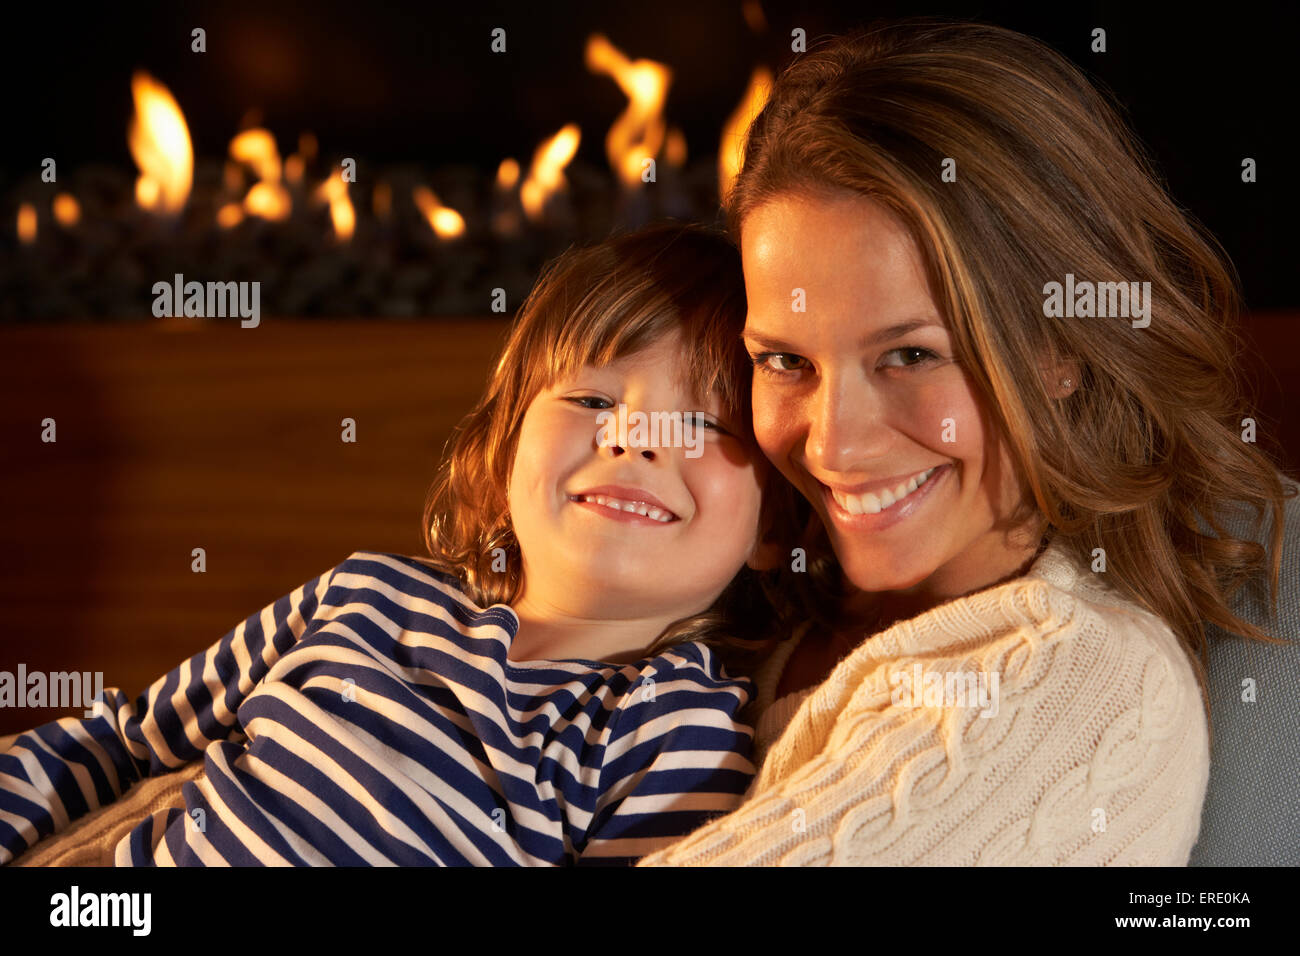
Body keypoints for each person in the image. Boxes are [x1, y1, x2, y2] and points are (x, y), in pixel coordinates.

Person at [638, 19, 1295, 866]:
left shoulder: (1087, 690)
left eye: (911, 355)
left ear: (1059, 349)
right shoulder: (741, 575)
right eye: (785, 360)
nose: (834, 442)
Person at [0, 221, 798, 866]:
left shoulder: (672, 728)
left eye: (700, 422)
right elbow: (121, 742)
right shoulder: (366, 595)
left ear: (772, 529)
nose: (633, 437)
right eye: (591, 396)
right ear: (503, 452)